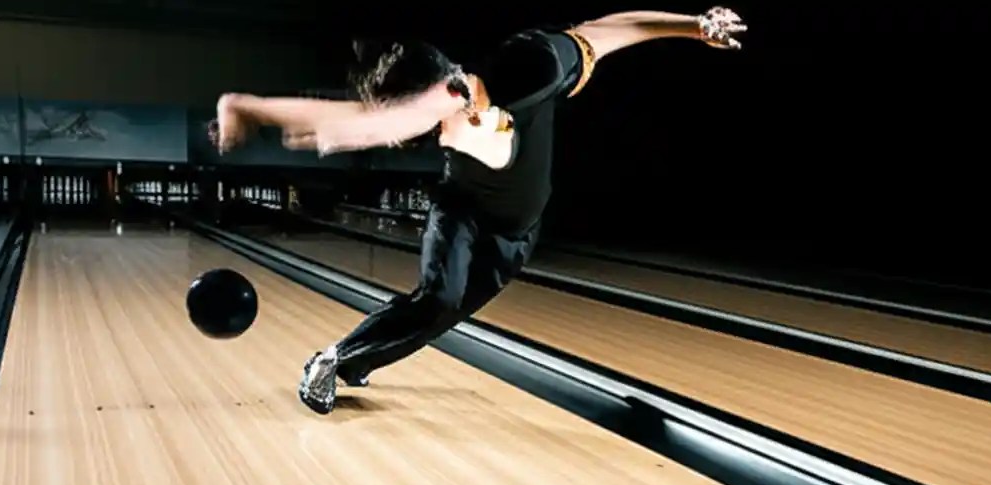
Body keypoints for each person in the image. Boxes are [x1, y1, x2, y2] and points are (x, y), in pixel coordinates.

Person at [211, 8, 747, 414]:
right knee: (439, 297)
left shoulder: (535, 64)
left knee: (446, 311)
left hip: (517, 233)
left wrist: (694, 25)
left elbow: (607, 31)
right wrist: (244, 107)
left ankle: (354, 361)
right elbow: (368, 120)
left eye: (424, 117)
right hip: (460, 210)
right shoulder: (449, 105)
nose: (420, 133)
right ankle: (331, 360)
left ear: (457, 92)